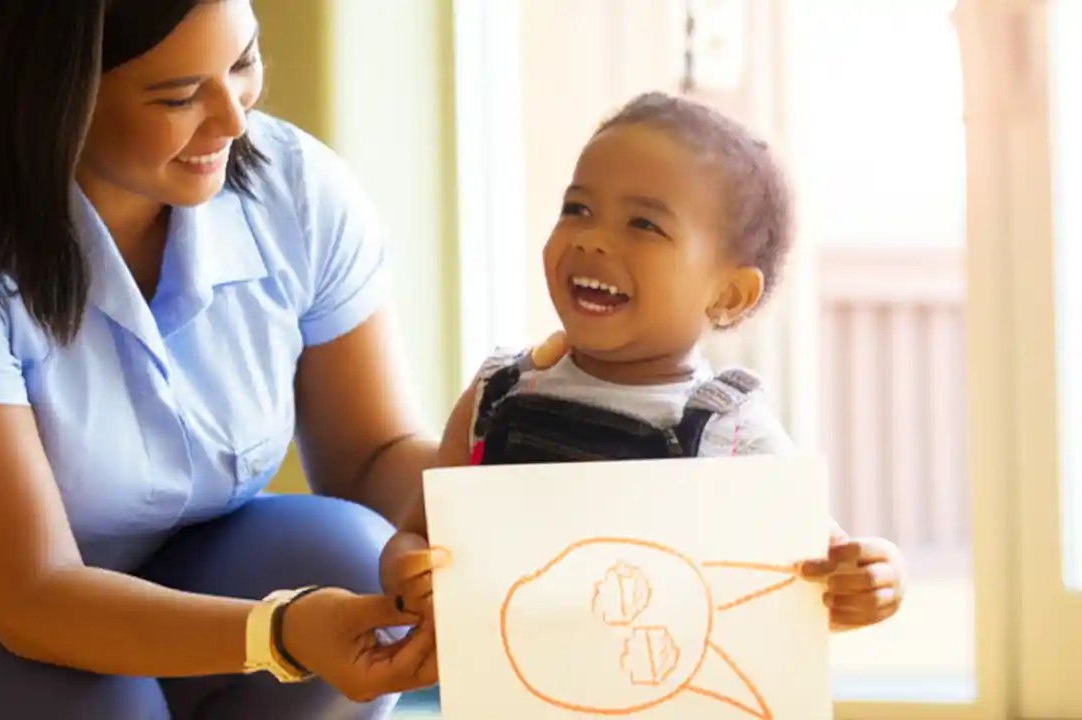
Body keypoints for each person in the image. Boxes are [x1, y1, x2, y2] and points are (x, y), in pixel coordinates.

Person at [0, 1, 567, 717]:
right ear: (54, 100)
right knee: (105, 700)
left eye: (244, 61)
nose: (235, 118)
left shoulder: (294, 187)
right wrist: (280, 633)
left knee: (353, 565)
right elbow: (31, 594)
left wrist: (499, 499)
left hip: (153, 560)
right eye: (177, 97)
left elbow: (370, 460)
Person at [381, 92, 905, 633]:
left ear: (728, 293)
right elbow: (417, 530)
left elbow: (817, 574)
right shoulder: (500, 393)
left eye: (644, 225)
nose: (593, 240)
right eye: (577, 209)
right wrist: (406, 567)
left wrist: (872, 578)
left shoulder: (732, 433)